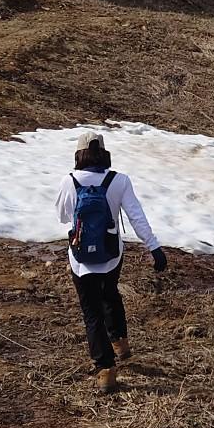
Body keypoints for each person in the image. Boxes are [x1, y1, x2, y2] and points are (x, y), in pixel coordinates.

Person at [54, 133, 167, 392]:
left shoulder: (68, 182)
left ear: (78, 154)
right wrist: (154, 247)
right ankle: (120, 341)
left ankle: (105, 369)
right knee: (110, 293)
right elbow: (136, 216)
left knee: (91, 311)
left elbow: (62, 217)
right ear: (103, 153)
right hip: (111, 253)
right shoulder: (119, 181)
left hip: (80, 259)